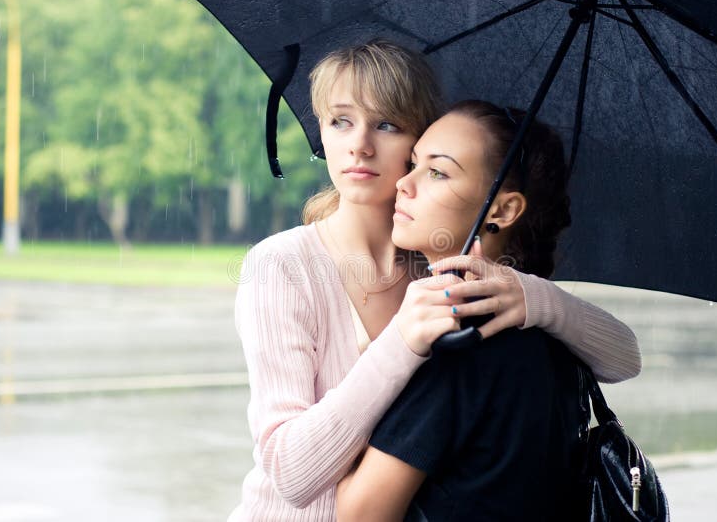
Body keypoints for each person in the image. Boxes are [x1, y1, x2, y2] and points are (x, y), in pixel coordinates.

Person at [229, 41, 640, 522]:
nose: (359, 145)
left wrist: (535, 297)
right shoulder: (282, 266)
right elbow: (293, 475)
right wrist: (401, 340)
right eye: (340, 120)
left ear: (417, 141)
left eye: (385, 124)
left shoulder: (440, 260)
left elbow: (624, 358)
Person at [336, 100, 596, 521]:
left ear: (503, 210)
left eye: (438, 171)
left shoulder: (460, 343)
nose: (404, 183)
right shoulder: (557, 337)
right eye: (414, 163)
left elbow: (357, 515)